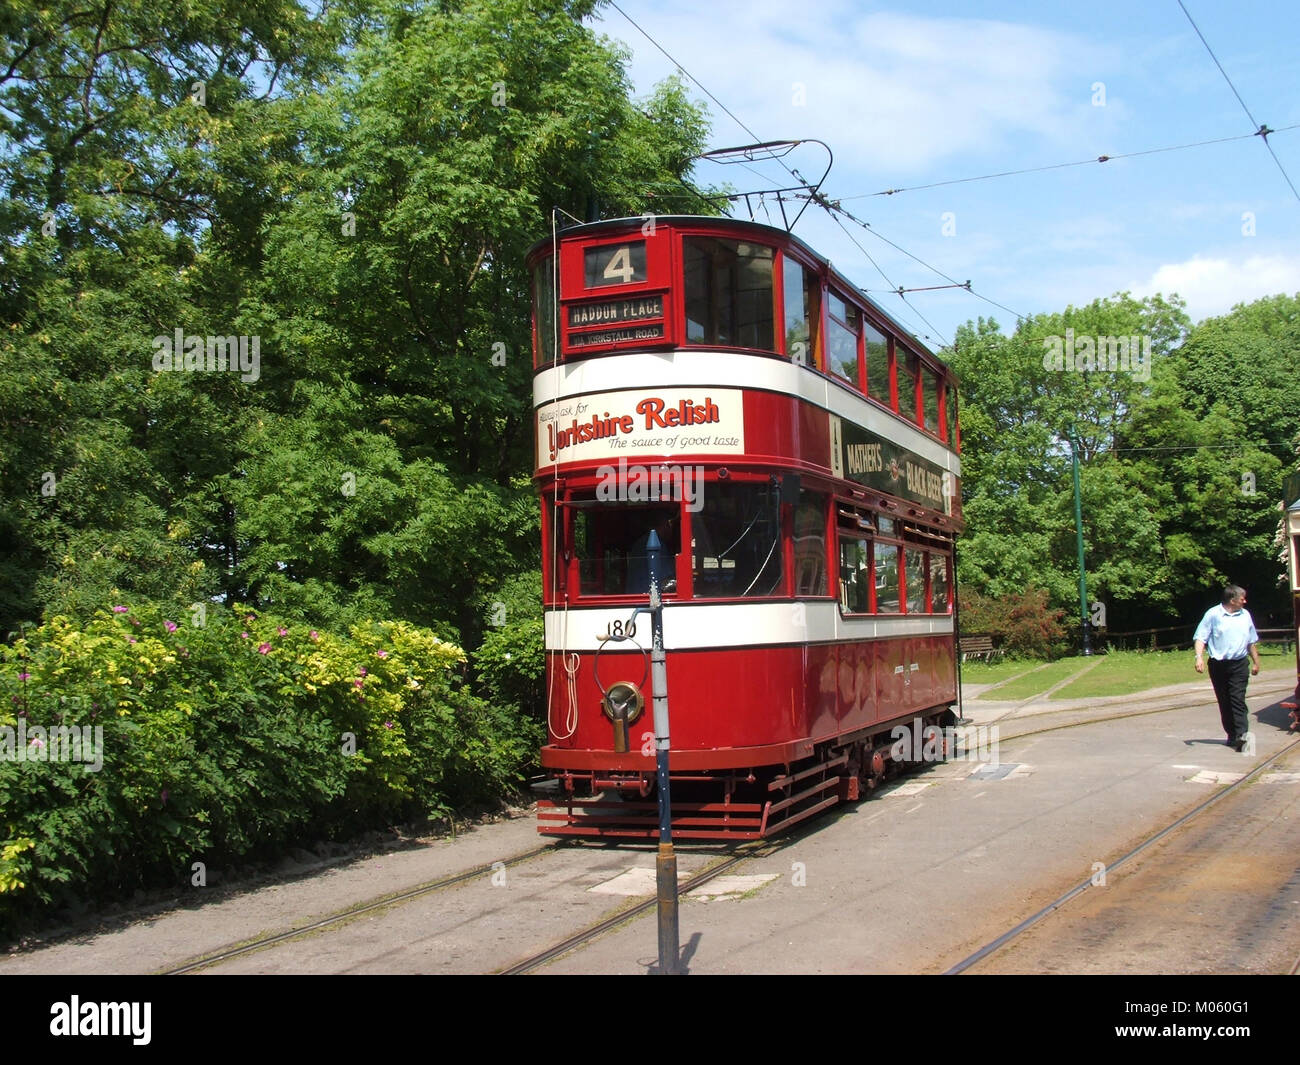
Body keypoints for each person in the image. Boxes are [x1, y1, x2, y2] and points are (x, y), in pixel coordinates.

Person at [1193, 584, 1260, 752]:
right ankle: (1231, 734)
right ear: (1232, 600)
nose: (1245, 601)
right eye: (1242, 598)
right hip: (1218, 665)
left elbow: (1251, 641)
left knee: (1237, 699)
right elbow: (1200, 637)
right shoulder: (1213, 614)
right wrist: (1199, 657)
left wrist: (1256, 662)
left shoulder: (1246, 616)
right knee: (1225, 701)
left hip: (1239, 664)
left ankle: (1242, 737)